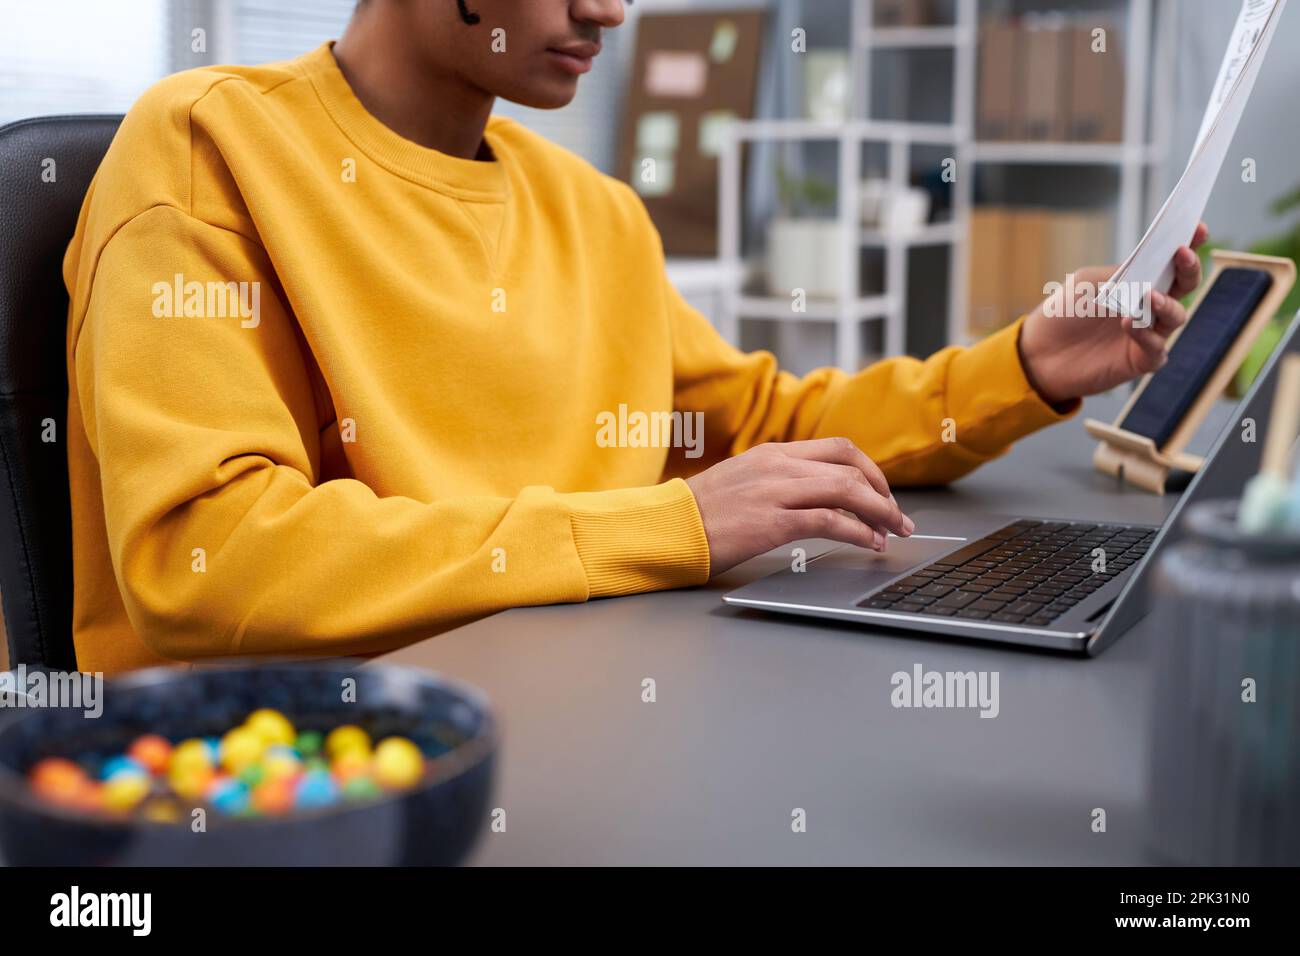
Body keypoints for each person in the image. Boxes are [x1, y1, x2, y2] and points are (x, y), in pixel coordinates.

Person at [63, 0, 1205, 674]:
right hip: (304, 772)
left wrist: (1022, 364)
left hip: (592, 697)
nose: (609, 10)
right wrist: (668, 524)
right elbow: (207, 556)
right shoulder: (206, 146)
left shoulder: (592, 208)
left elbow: (766, 428)